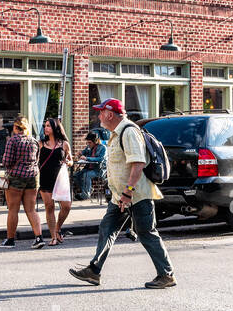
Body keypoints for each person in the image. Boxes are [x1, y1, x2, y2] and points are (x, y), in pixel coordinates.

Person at [69, 99, 177, 289]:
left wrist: (128, 192)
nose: (99, 116)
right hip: (120, 196)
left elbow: (138, 164)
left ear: (110, 114)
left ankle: (166, 274)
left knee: (146, 233)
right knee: (107, 228)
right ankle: (94, 271)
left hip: (136, 195)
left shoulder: (129, 131)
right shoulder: (116, 133)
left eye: (101, 112)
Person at [0, 116, 45, 250]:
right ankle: (38, 238)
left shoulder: (13, 140)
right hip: (33, 176)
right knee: (31, 209)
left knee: (13, 209)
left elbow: (7, 161)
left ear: (15, 127)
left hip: (16, 177)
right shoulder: (34, 141)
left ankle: (10, 240)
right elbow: (37, 159)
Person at [38, 117, 74, 246]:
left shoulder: (64, 144)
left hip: (60, 179)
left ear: (55, 128)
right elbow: (36, 161)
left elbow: (71, 160)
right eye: (45, 126)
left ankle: (58, 228)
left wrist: (68, 162)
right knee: (50, 207)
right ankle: (53, 236)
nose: (45, 128)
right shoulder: (41, 143)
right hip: (45, 178)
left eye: (48, 126)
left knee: (66, 206)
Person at [74, 132, 106, 200]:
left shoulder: (103, 148)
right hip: (88, 168)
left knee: (86, 175)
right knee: (76, 175)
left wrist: (87, 158)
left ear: (96, 141)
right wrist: (80, 153)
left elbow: (100, 159)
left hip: (98, 170)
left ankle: (85, 194)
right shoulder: (88, 147)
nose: (88, 144)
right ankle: (87, 190)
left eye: (90, 142)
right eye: (87, 142)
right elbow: (84, 152)